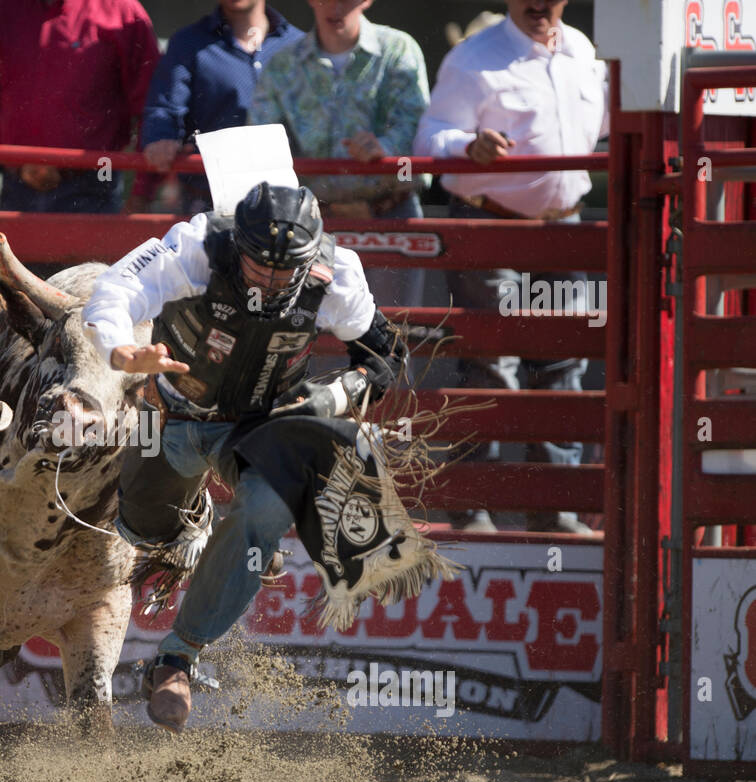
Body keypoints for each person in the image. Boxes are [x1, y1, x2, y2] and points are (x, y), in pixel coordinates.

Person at [82, 182, 454, 732]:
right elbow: (117, 288)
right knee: (142, 526)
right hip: (169, 418)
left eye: (288, 271)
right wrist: (119, 348)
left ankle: (179, 655)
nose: (274, 281)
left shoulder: (336, 273)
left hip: (264, 425)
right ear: (238, 248)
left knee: (268, 505)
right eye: (260, 266)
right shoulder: (195, 247)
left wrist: (341, 392)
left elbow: (383, 353)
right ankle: (217, 533)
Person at [413, 0, 608, 535]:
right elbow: (429, 138)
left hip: (562, 232)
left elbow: (605, 128)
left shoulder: (582, 52)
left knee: (562, 365)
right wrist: (466, 145)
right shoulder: (473, 58)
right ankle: (476, 507)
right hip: (492, 228)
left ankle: (553, 509)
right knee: (493, 363)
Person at [249, 0, 429, 313]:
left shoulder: (399, 49)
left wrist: (386, 148)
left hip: (390, 212)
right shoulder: (282, 64)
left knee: (394, 334)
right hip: (316, 222)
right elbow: (263, 142)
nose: (336, 7)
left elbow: (419, 125)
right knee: (316, 337)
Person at [0, 0, 160, 217]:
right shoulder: (6, 11)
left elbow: (151, 107)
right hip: (17, 185)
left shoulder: (122, 11)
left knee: (92, 252)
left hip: (93, 186)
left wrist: (141, 196)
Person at [138, 0, 303, 214]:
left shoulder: (300, 45)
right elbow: (164, 110)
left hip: (287, 201)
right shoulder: (187, 43)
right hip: (209, 201)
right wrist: (161, 139)